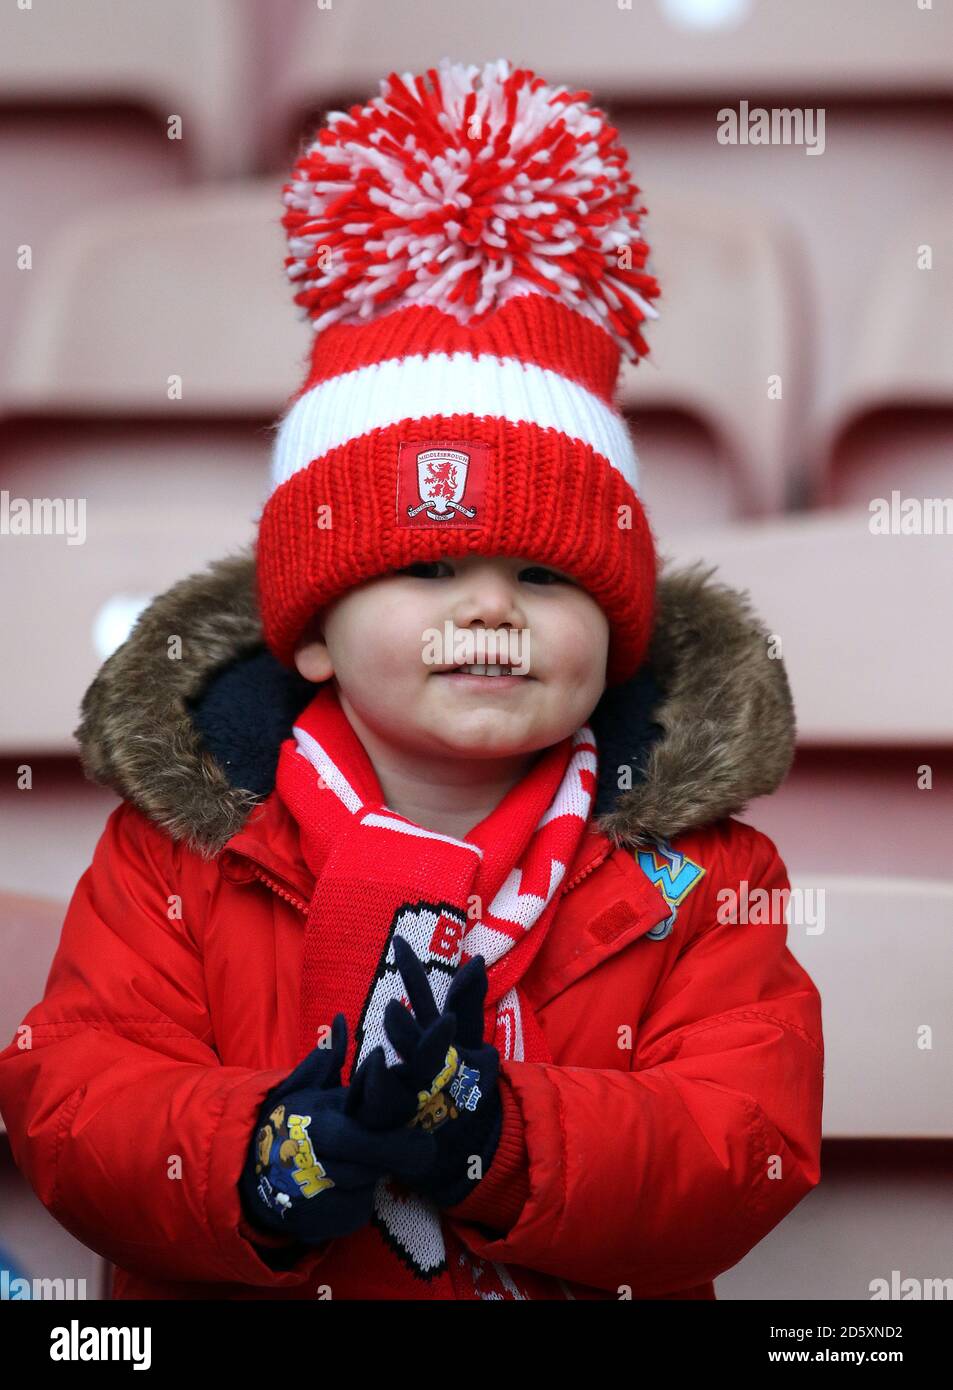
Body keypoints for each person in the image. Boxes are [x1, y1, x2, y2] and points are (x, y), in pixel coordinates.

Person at [0, 57, 822, 1301]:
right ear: (313, 630)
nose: (489, 607)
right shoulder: (179, 849)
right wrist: (264, 1156)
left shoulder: (702, 874)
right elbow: (73, 1093)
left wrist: (501, 1137)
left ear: (615, 627)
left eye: (545, 576)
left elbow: (744, 1135)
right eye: (429, 566)